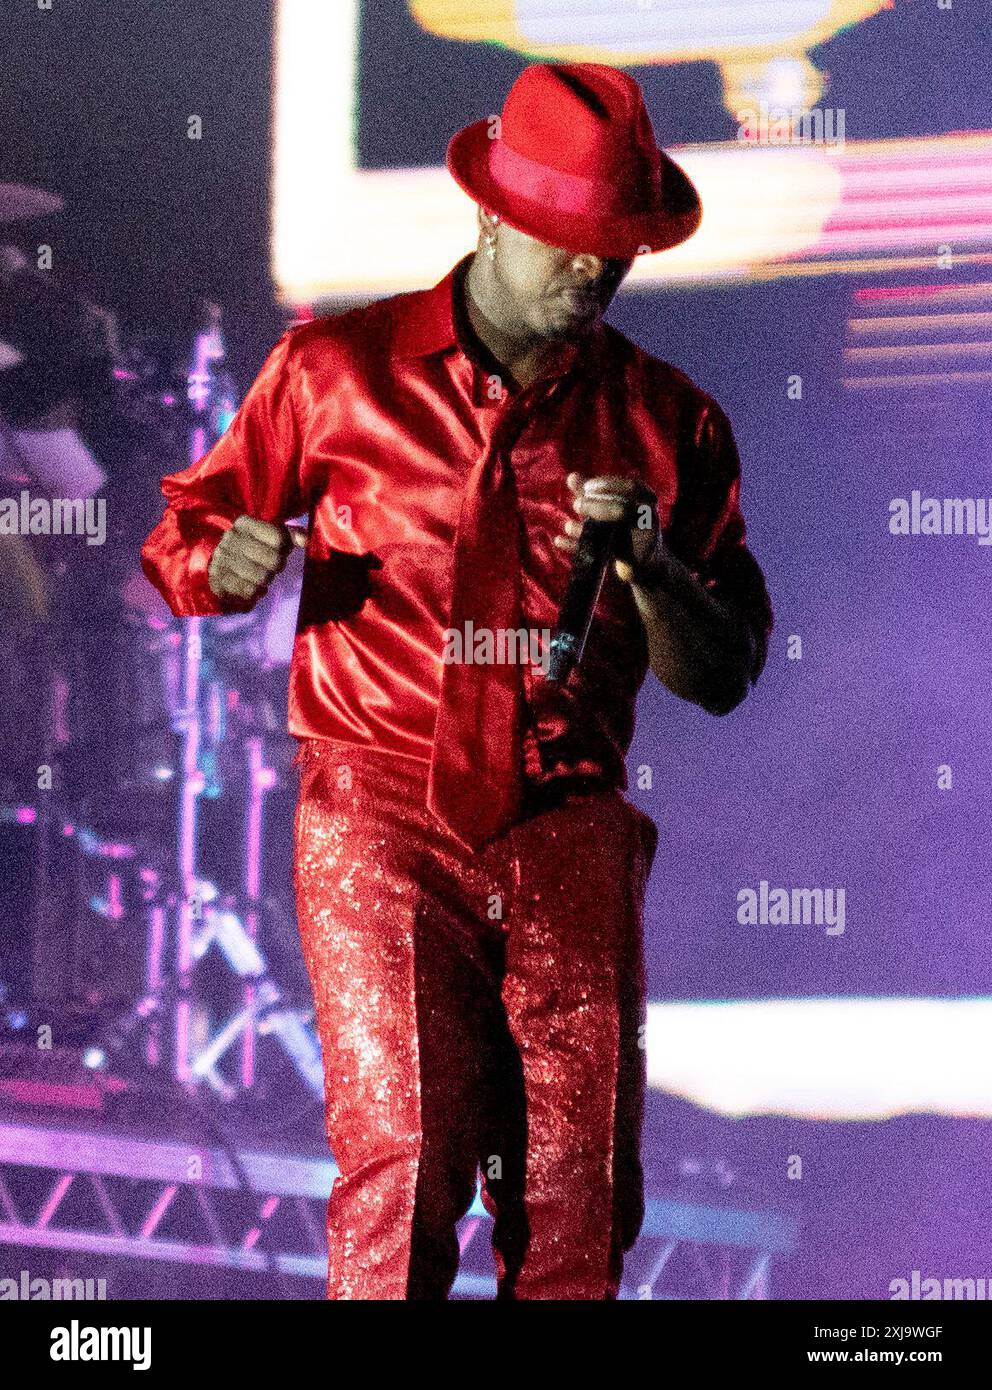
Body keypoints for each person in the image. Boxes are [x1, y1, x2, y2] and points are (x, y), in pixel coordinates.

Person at [141, 62, 773, 1300]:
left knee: (576, 1195)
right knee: (406, 1163)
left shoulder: (667, 421)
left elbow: (725, 670)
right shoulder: (334, 370)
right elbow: (180, 539)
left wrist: (650, 570)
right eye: (570, 242)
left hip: (567, 820)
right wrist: (228, 558)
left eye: (619, 248)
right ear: (491, 216)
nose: (594, 270)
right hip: (380, 805)